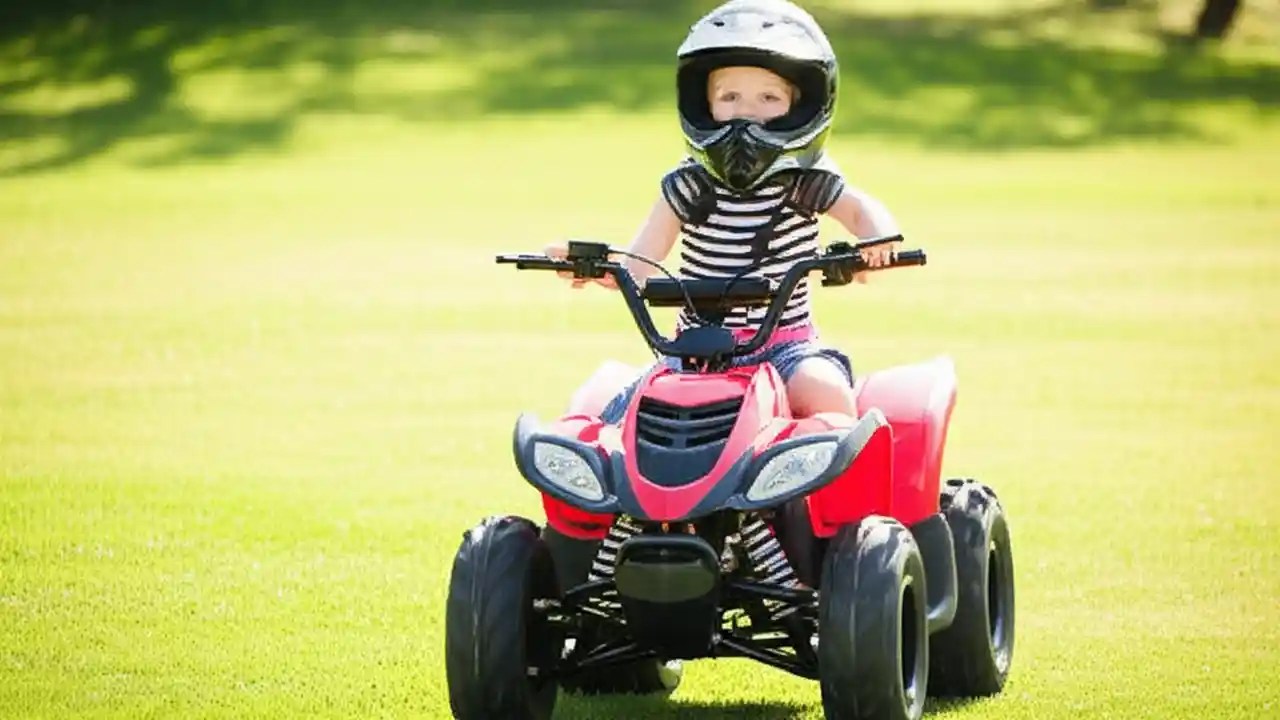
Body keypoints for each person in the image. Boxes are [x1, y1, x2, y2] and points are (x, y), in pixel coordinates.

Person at [546, 0, 904, 423]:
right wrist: (601, 268)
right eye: (729, 96)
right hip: (694, 349)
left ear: (801, 106)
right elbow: (644, 258)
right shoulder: (688, 183)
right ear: (703, 104)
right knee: (622, 415)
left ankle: (835, 484)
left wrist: (877, 241)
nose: (746, 111)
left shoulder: (806, 180)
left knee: (824, 392)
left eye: (768, 97)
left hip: (786, 347)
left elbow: (861, 212)